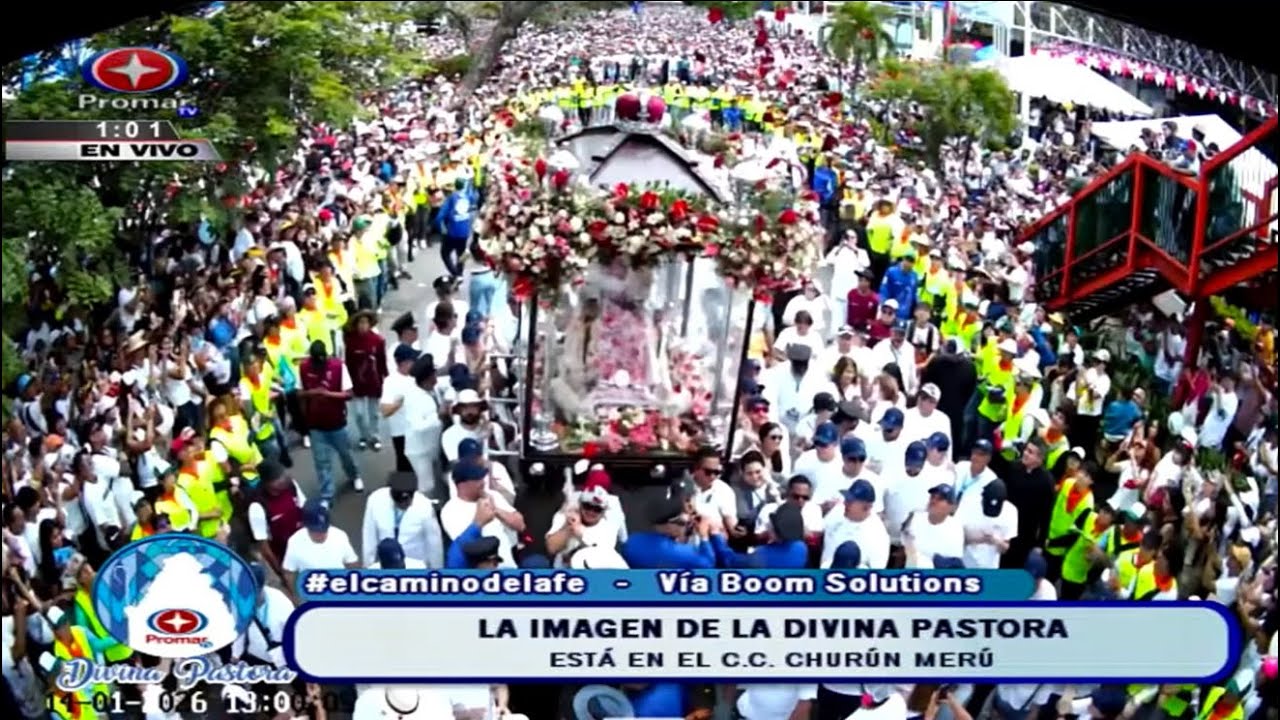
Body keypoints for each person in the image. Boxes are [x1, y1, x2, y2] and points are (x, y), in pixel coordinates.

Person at [298, 340, 365, 503]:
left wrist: (328, 394)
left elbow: (349, 394)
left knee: (346, 455)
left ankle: (354, 475)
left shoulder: (338, 366)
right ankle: (327, 494)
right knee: (321, 461)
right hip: (315, 424)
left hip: (337, 422)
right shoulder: (303, 367)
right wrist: (312, 393)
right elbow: (299, 393)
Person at [361, 471, 444, 569]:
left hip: (415, 563)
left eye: (408, 502)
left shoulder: (424, 507)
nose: (405, 505)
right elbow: (369, 535)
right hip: (386, 562)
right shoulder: (375, 500)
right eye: (400, 503)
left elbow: (433, 541)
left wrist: (437, 569)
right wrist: (368, 564)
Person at [621, 496, 716, 569]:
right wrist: (704, 536)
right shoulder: (685, 552)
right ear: (669, 525)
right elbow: (708, 564)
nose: (685, 526)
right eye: (682, 523)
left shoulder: (632, 542)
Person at [820, 479, 890, 569]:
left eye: (850, 502)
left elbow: (875, 573)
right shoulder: (837, 512)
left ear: (867, 507)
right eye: (846, 499)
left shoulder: (878, 536)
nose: (845, 503)